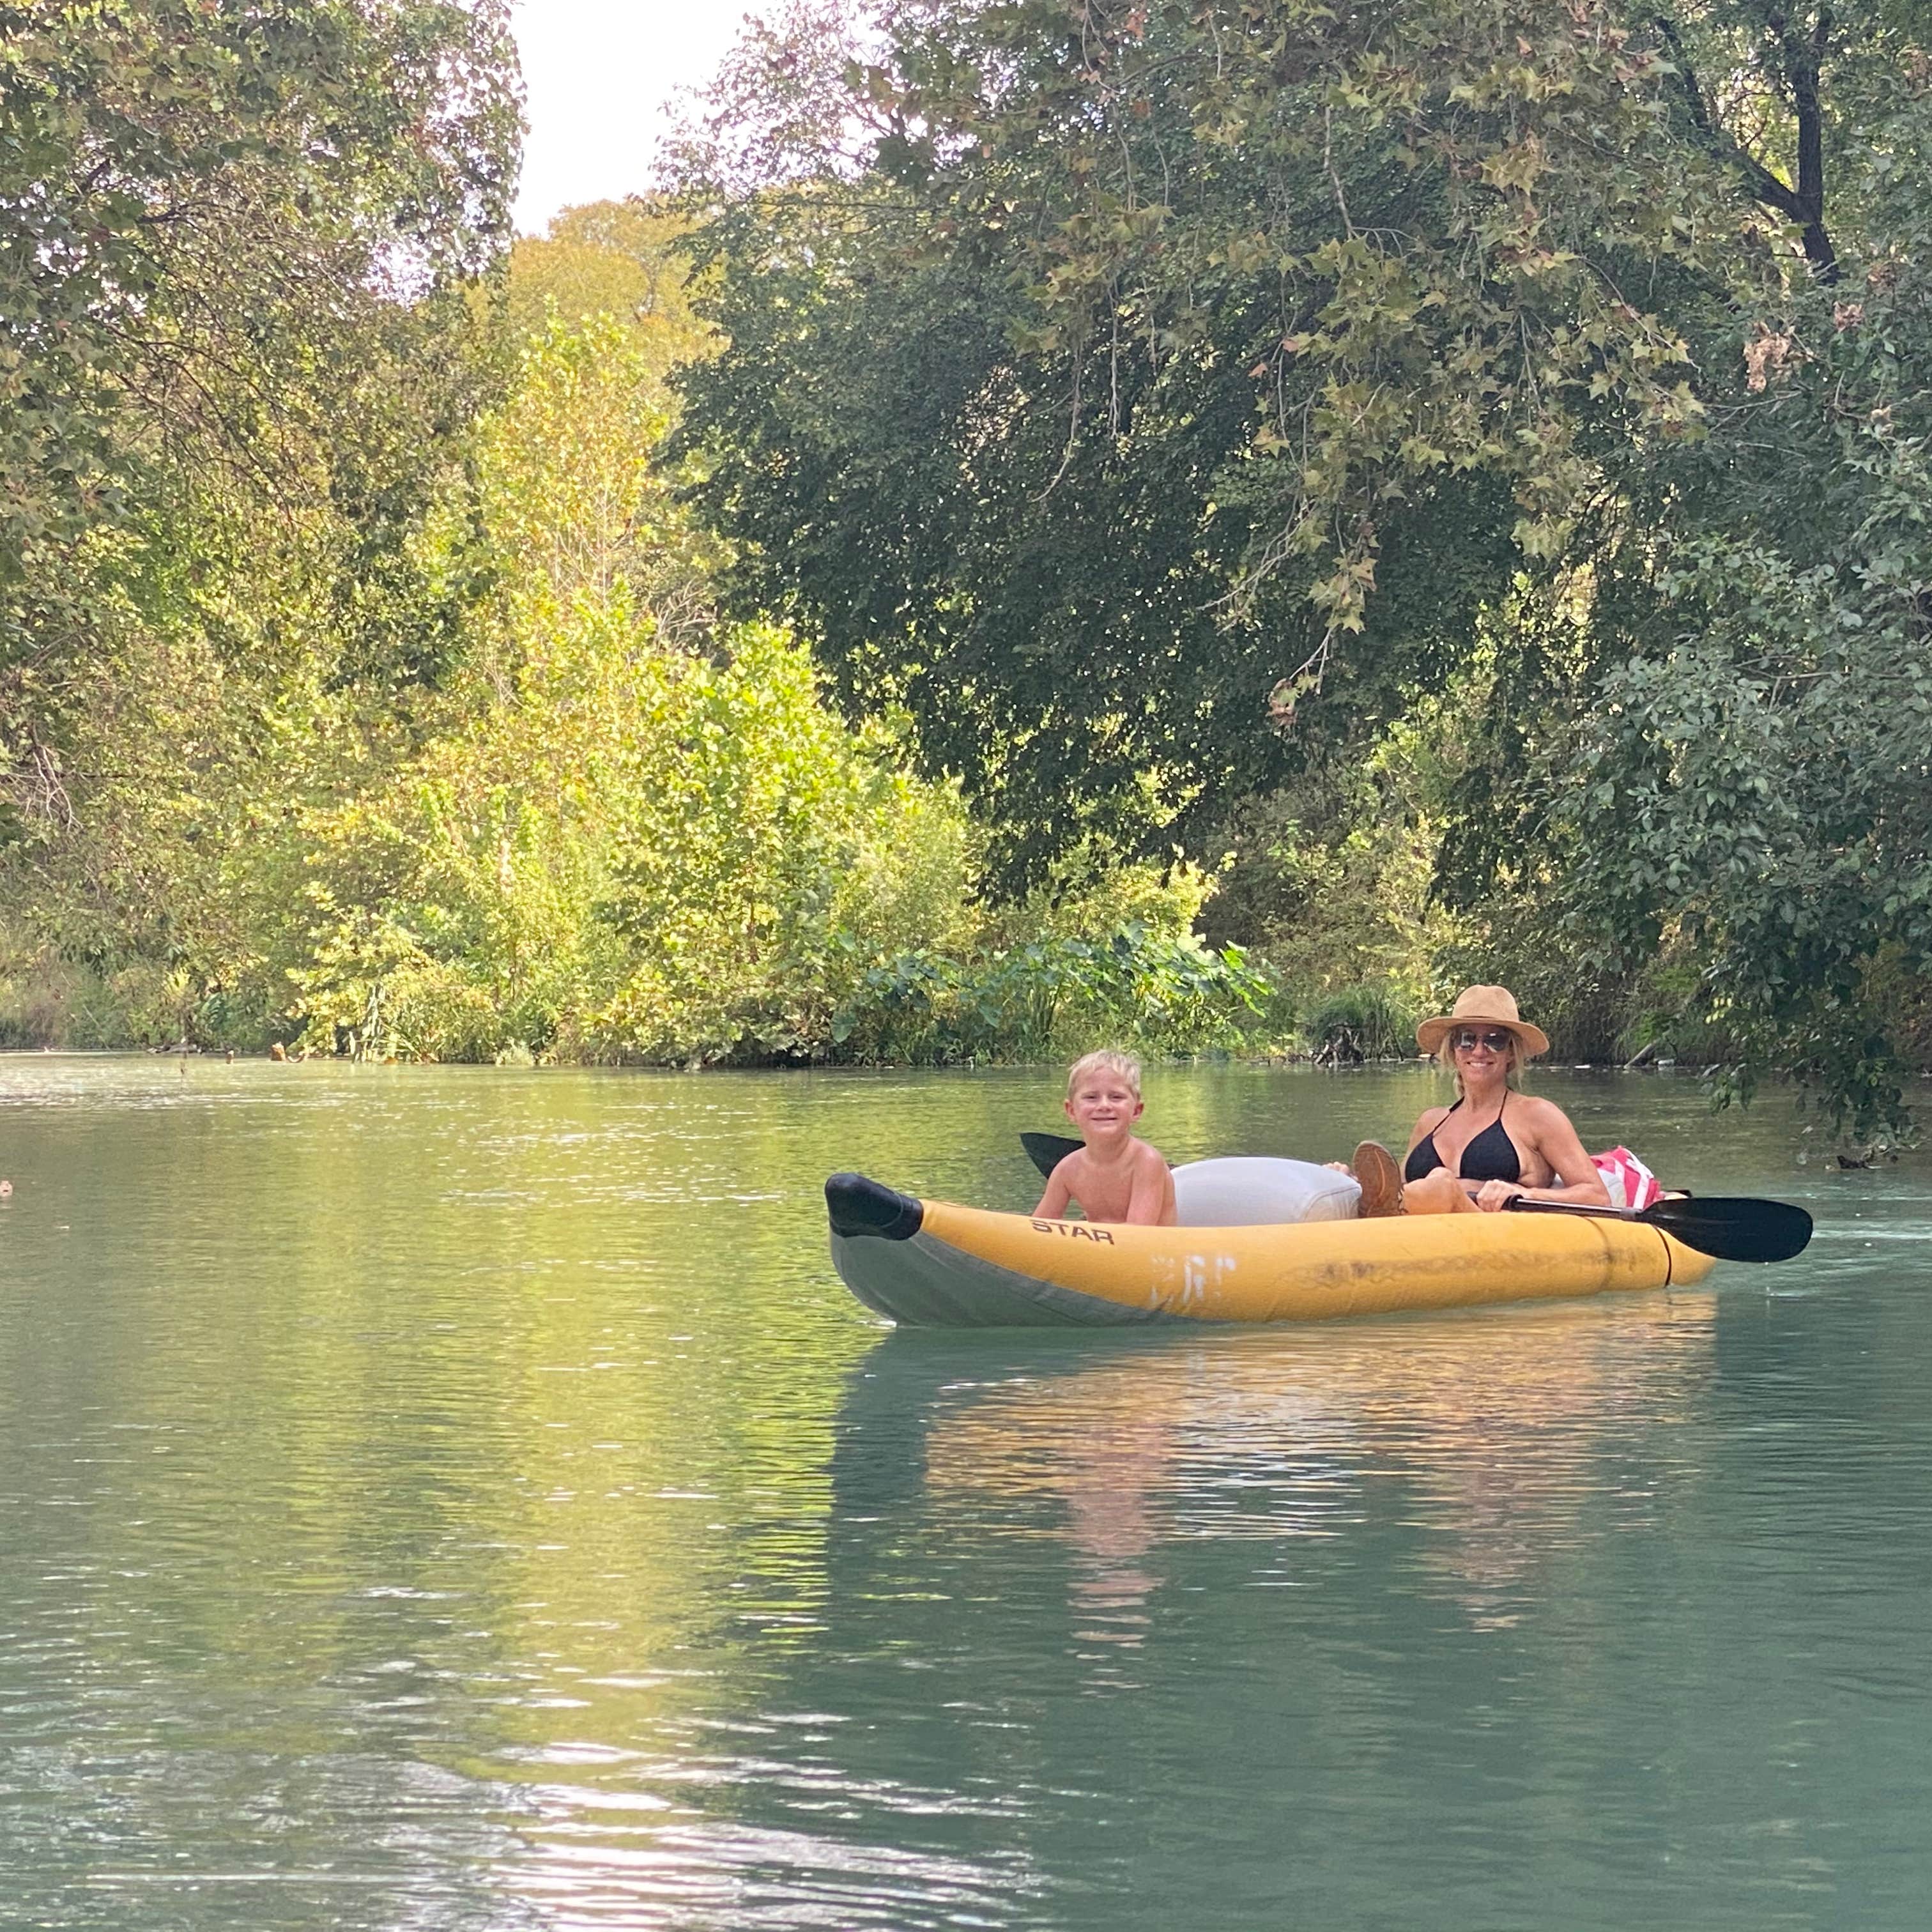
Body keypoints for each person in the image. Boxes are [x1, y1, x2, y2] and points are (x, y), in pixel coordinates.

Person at [1350, 986, 1612, 1216]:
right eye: (1466, 1039)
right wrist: (1349, 1181)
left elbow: (1597, 1196)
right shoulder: (1430, 1121)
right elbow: (1403, 1185)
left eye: (1494, 1041)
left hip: (1494, 1232)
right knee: (1350, 1180)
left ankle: (1380, 1208)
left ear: (1511, 1052)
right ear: (1453, 1049)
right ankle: (1364, 1199)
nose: (1478, 1050)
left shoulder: (1537, 1115)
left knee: (1443, 1181)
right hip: (1424, 1229)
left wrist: (1523, 1194)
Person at [1034, 1048, 1178, 1227]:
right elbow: (1037, 1228)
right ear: (1071, 1111)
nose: (1104, 1105)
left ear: (1136, 1111)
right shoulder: (1067, 1169)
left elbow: (1138, 1234)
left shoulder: (1147, 1162)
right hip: (1100, 1250)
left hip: (1151, 1252)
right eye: (1091, 1097)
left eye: (1116, 1097)